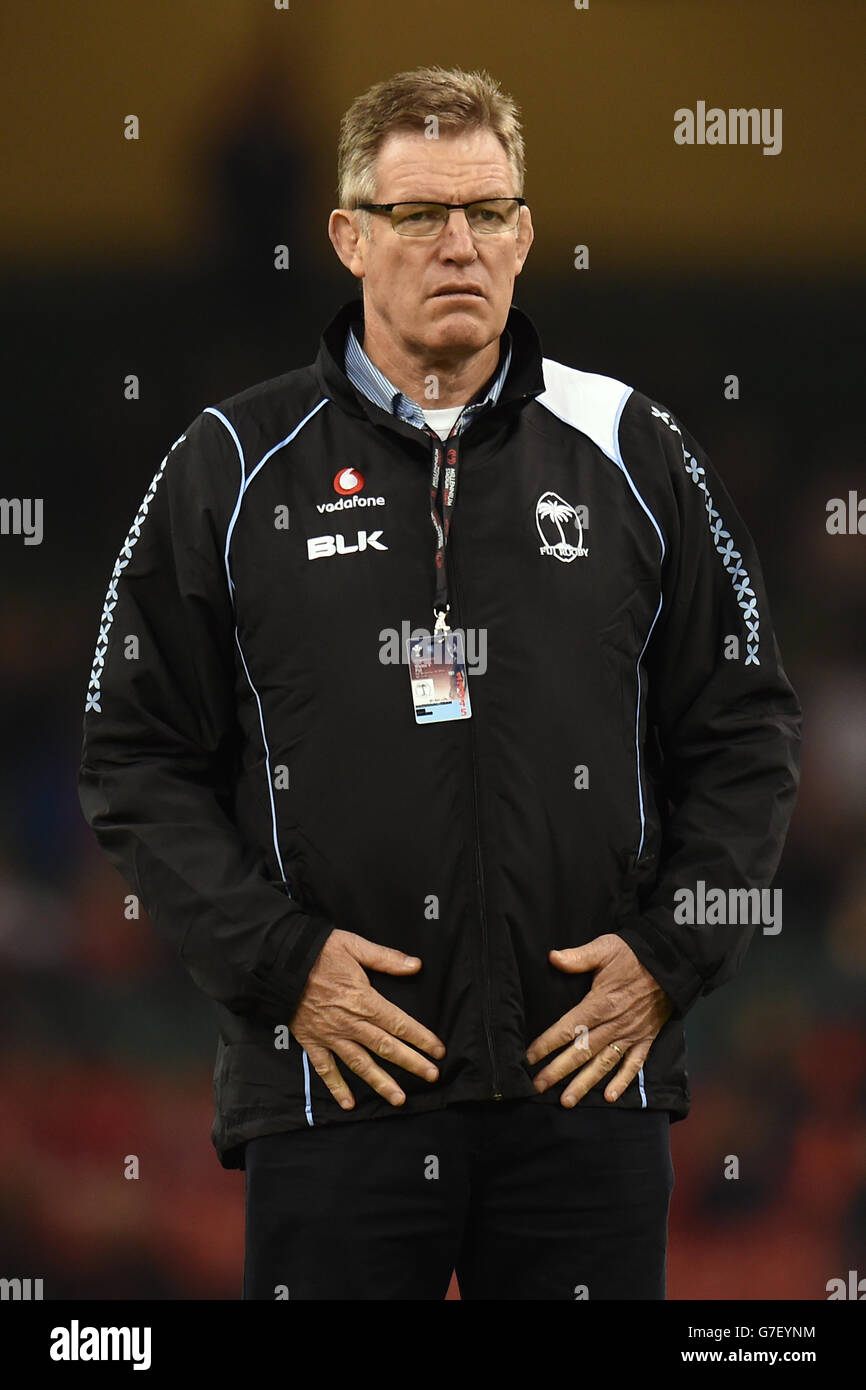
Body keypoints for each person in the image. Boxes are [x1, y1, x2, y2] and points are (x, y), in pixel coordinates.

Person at [77, 65, 802, 1301]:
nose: (455, 243)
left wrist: (668, 957)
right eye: (417, 214)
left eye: (485, 211)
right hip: (332, 1086)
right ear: (349, 236)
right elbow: (132, 757)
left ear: (524, 235)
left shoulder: (635, 449)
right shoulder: (229, 464)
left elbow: (746, 734)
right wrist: (282, 965)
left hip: (585, 1086)